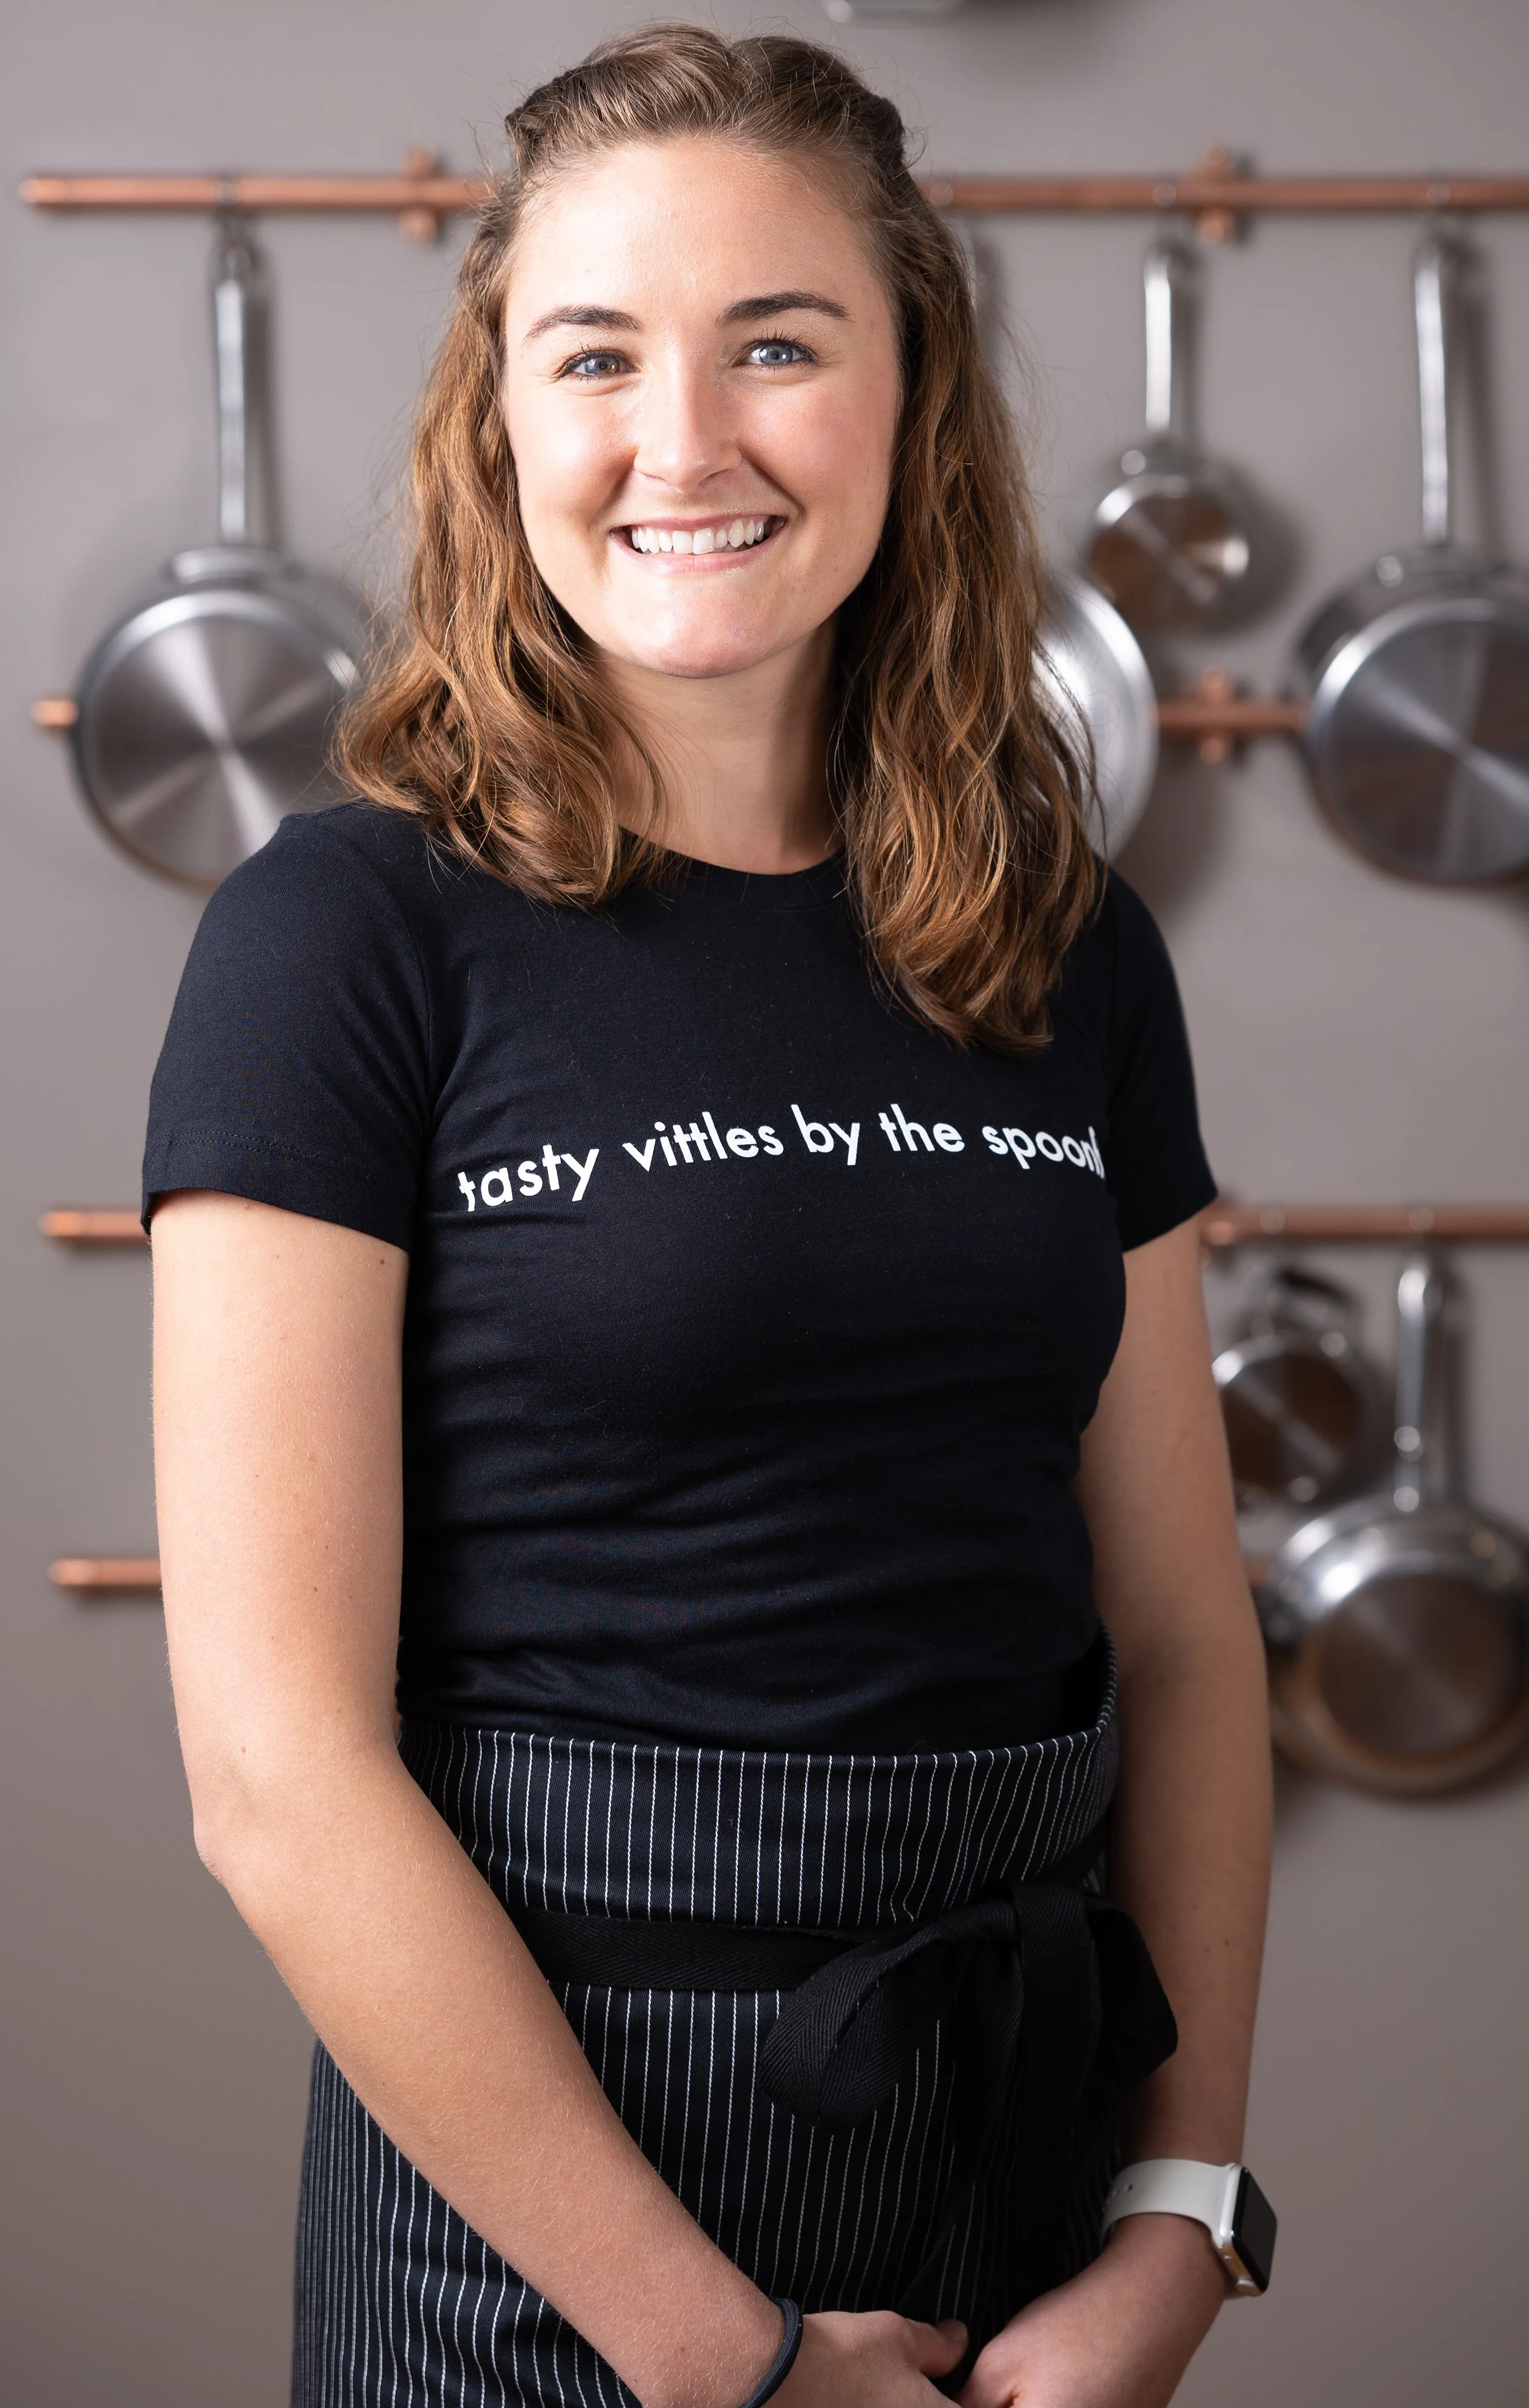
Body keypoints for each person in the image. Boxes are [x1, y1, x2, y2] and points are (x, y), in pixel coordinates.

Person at [145, 26, 1272, 2408]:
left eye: (776, 344)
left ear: (910, 395)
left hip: (1012, 2198)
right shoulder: (342, 939)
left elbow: (1183, 1642)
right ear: (497, 426)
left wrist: (1177, 2215)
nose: (684, 442)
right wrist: (728, 2359)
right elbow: (277, 1780)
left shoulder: (1063, 941)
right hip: (539, 2243)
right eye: (595, 357)